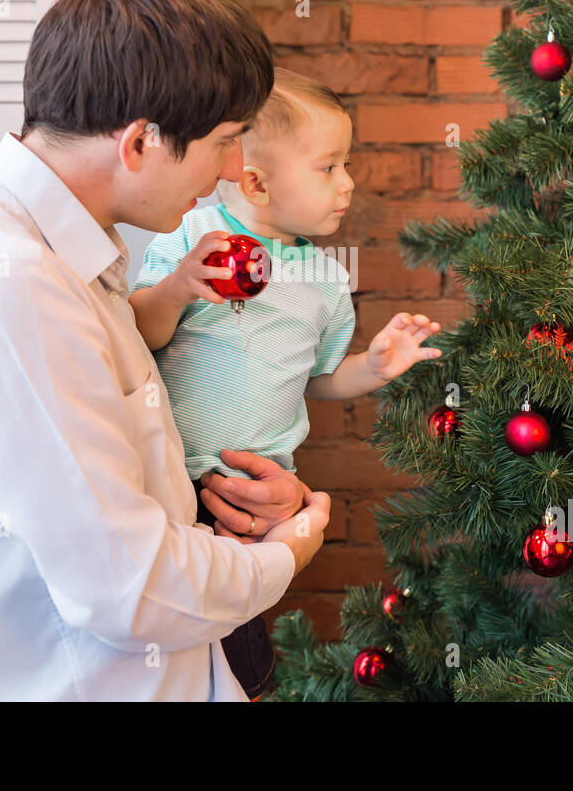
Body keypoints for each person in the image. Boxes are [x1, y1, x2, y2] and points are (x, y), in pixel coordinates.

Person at [0, 0, 329, 701]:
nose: (231, 172)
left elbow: (122, 505)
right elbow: (129, 587)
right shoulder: (9, 284)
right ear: (141, 143)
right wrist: (286, 555)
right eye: (224, 140)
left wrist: (239, 520)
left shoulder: (72, 255)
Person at [127, 68, 443, 696]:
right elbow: (137, 331)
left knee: (239, 659)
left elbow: (318, 380)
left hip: (252, 497)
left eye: (345, 165)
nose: (348, 183)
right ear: (256, 182)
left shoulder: (324, 280)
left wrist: (373, 368)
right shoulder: (195, 237)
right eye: (329, 168)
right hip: (168, 482)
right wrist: (177, 286)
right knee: (170, 647)